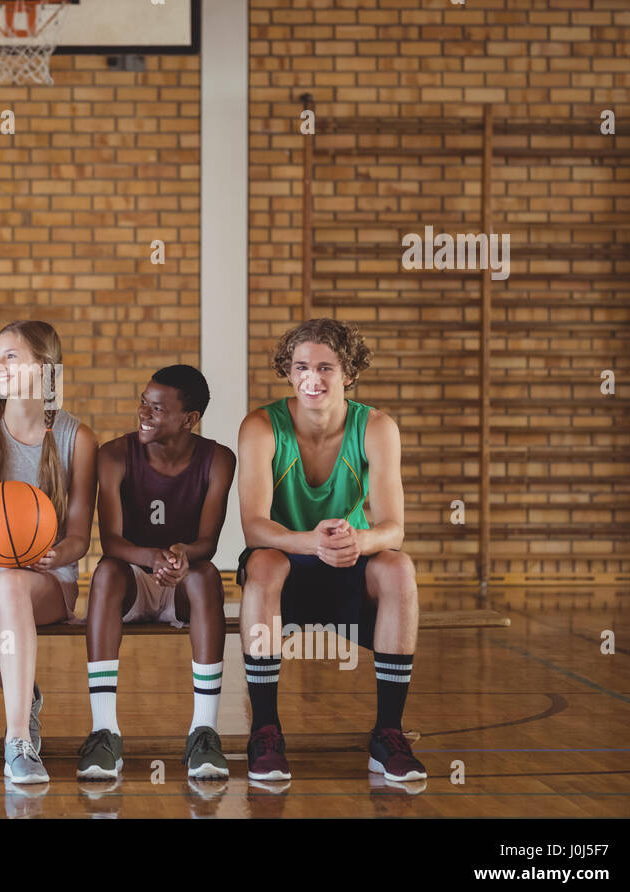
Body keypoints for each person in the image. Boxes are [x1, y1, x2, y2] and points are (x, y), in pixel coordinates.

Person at [236, 319, 426, 782]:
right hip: (286, 566)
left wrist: (360, 541)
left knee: (399, 567)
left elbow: (393, 529)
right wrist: (311, 542)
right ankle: (265, 730)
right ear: (287, 370)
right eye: (301, 366)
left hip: (348, 565)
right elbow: (254, 527)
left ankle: (388, 733)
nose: (312, 378)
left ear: (350, 373)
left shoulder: (377, 427)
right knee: (260, 563)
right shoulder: (262, 426)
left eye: (325, 367)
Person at [0, 320, 98, 785]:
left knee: (11, 583)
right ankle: (28, 697)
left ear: (44, 368)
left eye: (11, 356)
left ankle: (18, 741)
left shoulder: (76, 438)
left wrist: (57, 552)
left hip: (44, 576)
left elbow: (81, 537)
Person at [77, 365, 236, 780]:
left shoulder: (218, 459)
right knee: (106, 572)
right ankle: (104, 731)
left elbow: (208, 542)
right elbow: (111, 540)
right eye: (144, 402)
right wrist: (153, 558)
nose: (144, 413)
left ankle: (204, 732)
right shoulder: (113, 454)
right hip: (133, 578)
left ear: (190, 419)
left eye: (158, 408)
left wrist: (184, 554)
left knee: (208, 574)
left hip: (183, 582)